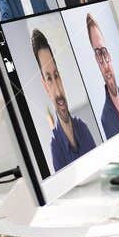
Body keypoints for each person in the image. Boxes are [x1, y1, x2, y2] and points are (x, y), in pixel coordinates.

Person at [31, 27, 95, 169]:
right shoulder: (56, 149)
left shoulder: (83, 128)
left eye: (56, 75)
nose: (58, 90)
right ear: (45, 86)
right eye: (49, 78)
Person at [86, 13, 119, 137]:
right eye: (98, 54)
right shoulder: (105, 118)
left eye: (104, 52)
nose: (104, 63)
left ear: (109, 55)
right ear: (96, 60)